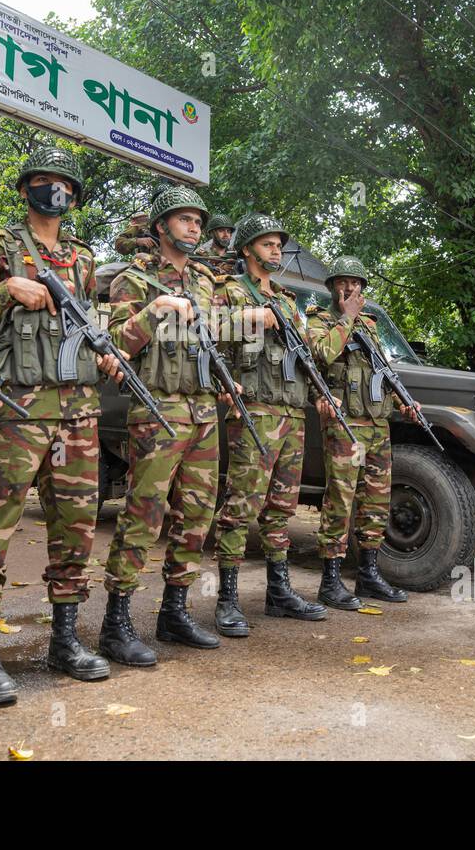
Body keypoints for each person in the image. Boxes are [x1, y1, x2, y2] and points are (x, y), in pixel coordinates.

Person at [0, 147, 124, 703]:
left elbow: (82, 323)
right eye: (44, 182)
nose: (55, 191)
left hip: (78, 414)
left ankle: (65, 641)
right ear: (25, 191)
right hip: (18, 411)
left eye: (64, 184)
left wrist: (106, 353)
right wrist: (5, 291)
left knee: (76, 529)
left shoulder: (84, 257)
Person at [98, 185, 222, 666]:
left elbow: (215, 341)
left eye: (198, 220)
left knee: (196, 516)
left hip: (204, 411)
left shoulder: (207, 283)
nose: (194, 227)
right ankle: (117, 622)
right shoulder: (134, 279)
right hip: (159, 409)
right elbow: (114, 348)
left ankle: (174, 611)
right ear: (161, 225)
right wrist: (156, 310)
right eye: (185, 219)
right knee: (144, 514)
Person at [211, 213, 327, 637]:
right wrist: (251, 320)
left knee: (281, 507)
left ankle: (278, 593)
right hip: (255, 410)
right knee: (241, 504)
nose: (276, 250)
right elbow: (204, 332)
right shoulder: (229, 291)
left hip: (292, 412)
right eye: (267, 244)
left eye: (279, 244)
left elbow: (308, 354)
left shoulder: (286, 298)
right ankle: (227, 599)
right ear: (246, 249)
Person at [306, 256, 411, 609]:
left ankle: (368, 573)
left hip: (376, 425)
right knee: (340, 500)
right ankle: (331, 581)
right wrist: (348, 317)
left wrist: (404, 400)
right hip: (344, 424)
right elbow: (321, 353)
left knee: (376, 502)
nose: (349, 288)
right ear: (332, 287)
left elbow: (381, 368)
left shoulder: (370, 324)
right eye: (342, 282)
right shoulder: (319, 321)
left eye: (356, 283)